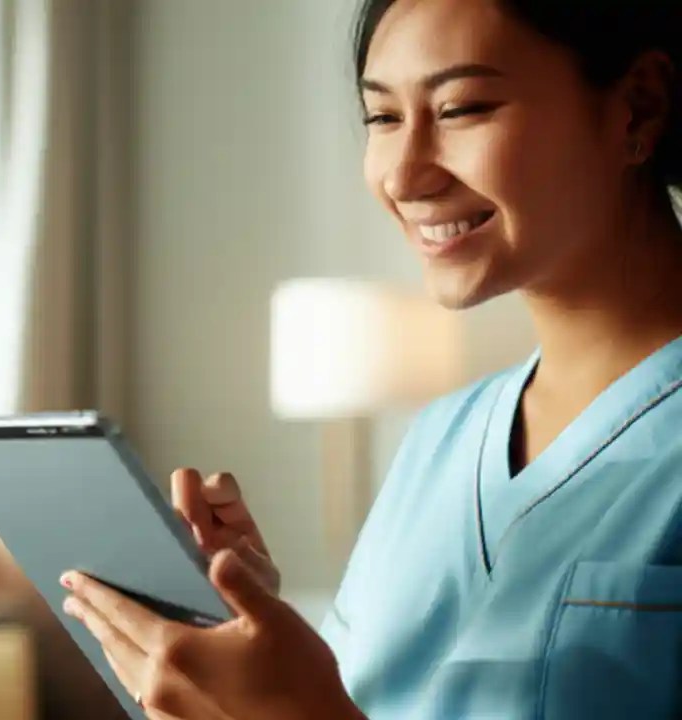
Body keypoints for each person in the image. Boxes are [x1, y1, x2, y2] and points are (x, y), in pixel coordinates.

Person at [59, 0, 682, 717]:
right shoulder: (438, 442)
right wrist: (245, 634)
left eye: (462, 109)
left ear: (637, 108)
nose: (406, 176)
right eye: (383, 119)